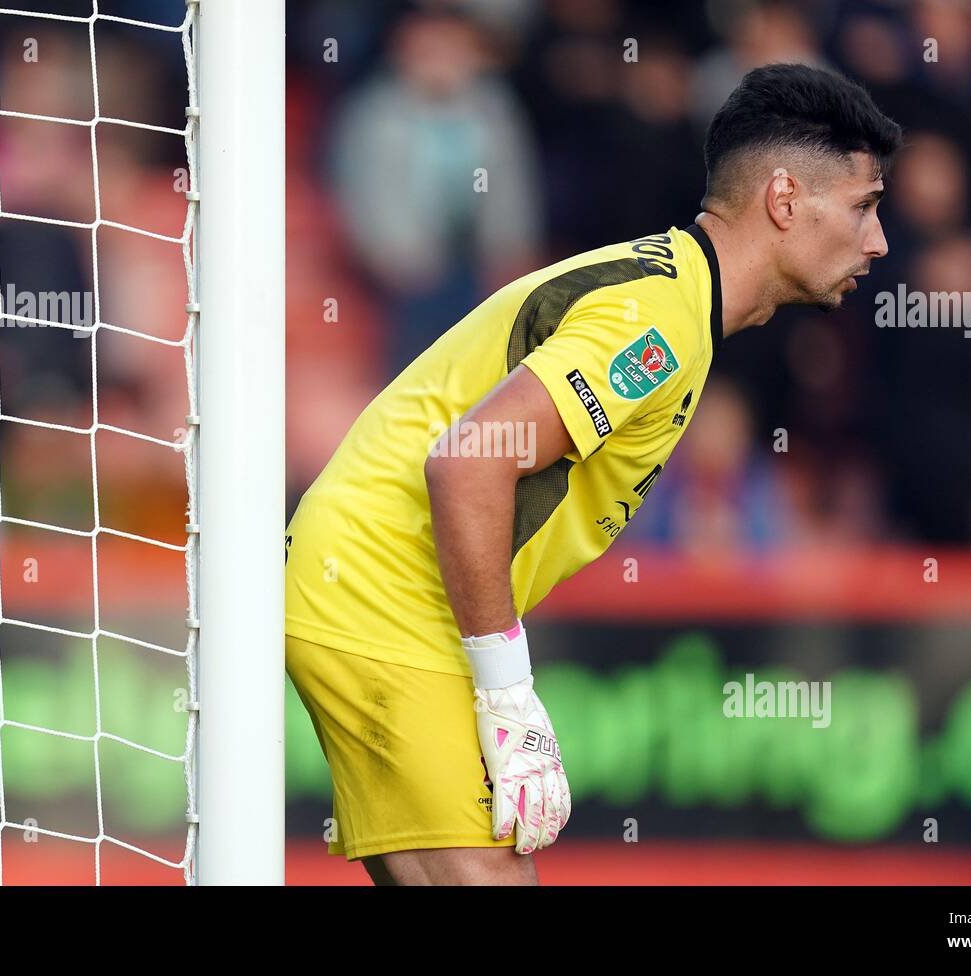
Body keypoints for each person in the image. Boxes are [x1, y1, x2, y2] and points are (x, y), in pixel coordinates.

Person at [284, 62, 901, 885]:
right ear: (784, 199)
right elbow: (466, 465)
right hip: (382, 595)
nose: (878, 241)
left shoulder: (674, 297)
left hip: (382, 590)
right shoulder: (660, 321)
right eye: (863, 207)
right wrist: (508, 696)